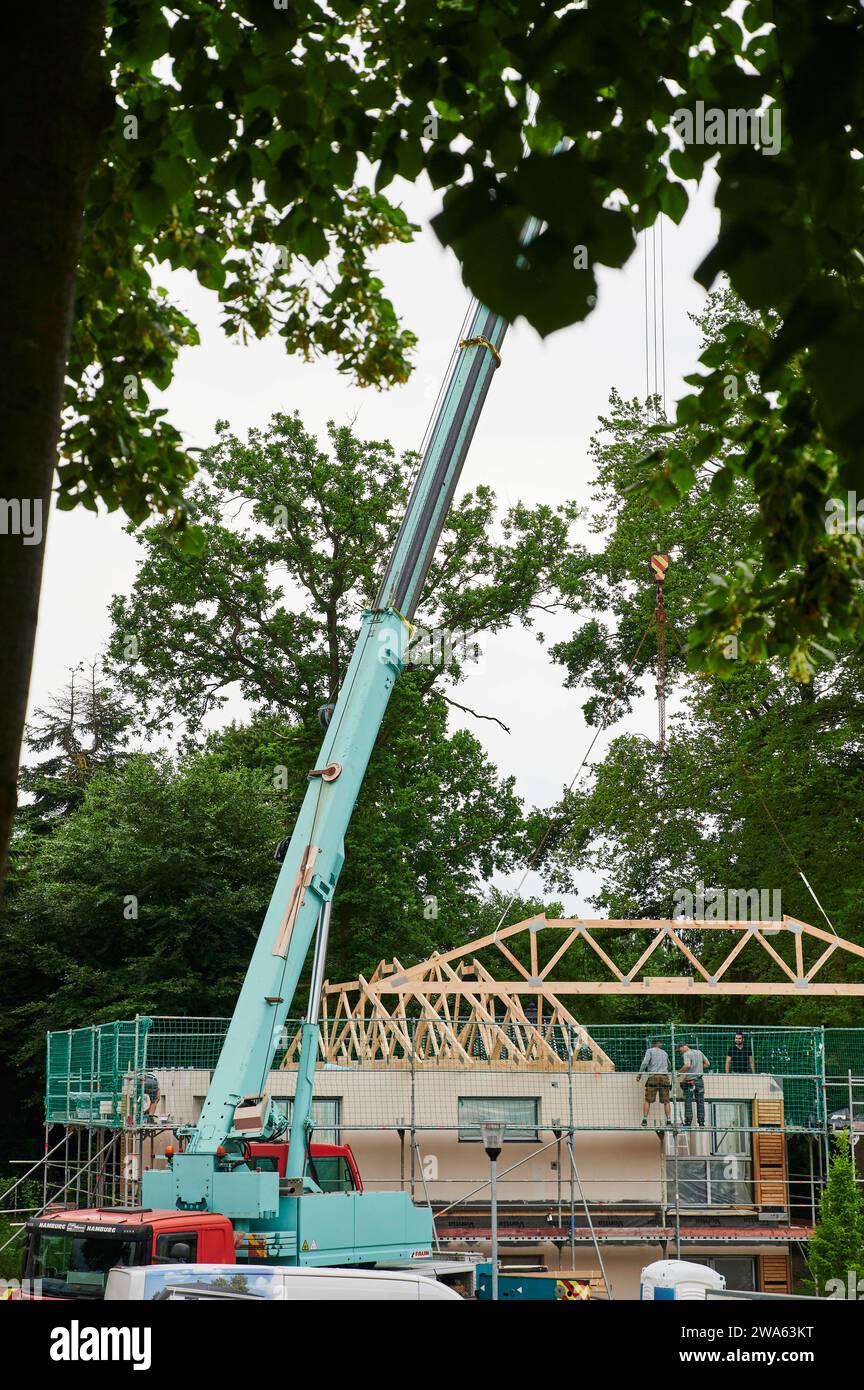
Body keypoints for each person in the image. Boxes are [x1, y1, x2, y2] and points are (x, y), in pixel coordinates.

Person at [637, 1038, 673, 1128]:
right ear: (659, 1044)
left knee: (648, 1100)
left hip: (653, 1077)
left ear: (652, 1044)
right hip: (664, 1077)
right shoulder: (665, 1053)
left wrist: (639, 1074)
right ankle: (668, 1121)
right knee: (666, 1101)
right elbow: (670, 1065)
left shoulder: (649, 1051)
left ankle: (645, 1120)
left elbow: (645, 1063)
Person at [677, 1043, 711, 1127]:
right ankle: (701, 1122)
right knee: (700, 1102)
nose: (680, 1052)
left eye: (680, 1050)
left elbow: (687, 1065)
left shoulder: (686, 1054)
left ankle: (688, 1122)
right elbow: (707, 1064)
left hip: (690, 1082)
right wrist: (698, 1068)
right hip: (699, 1080)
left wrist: (679, 1072)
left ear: (683, 1047)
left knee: (688, 1101)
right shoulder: (699, 1052)